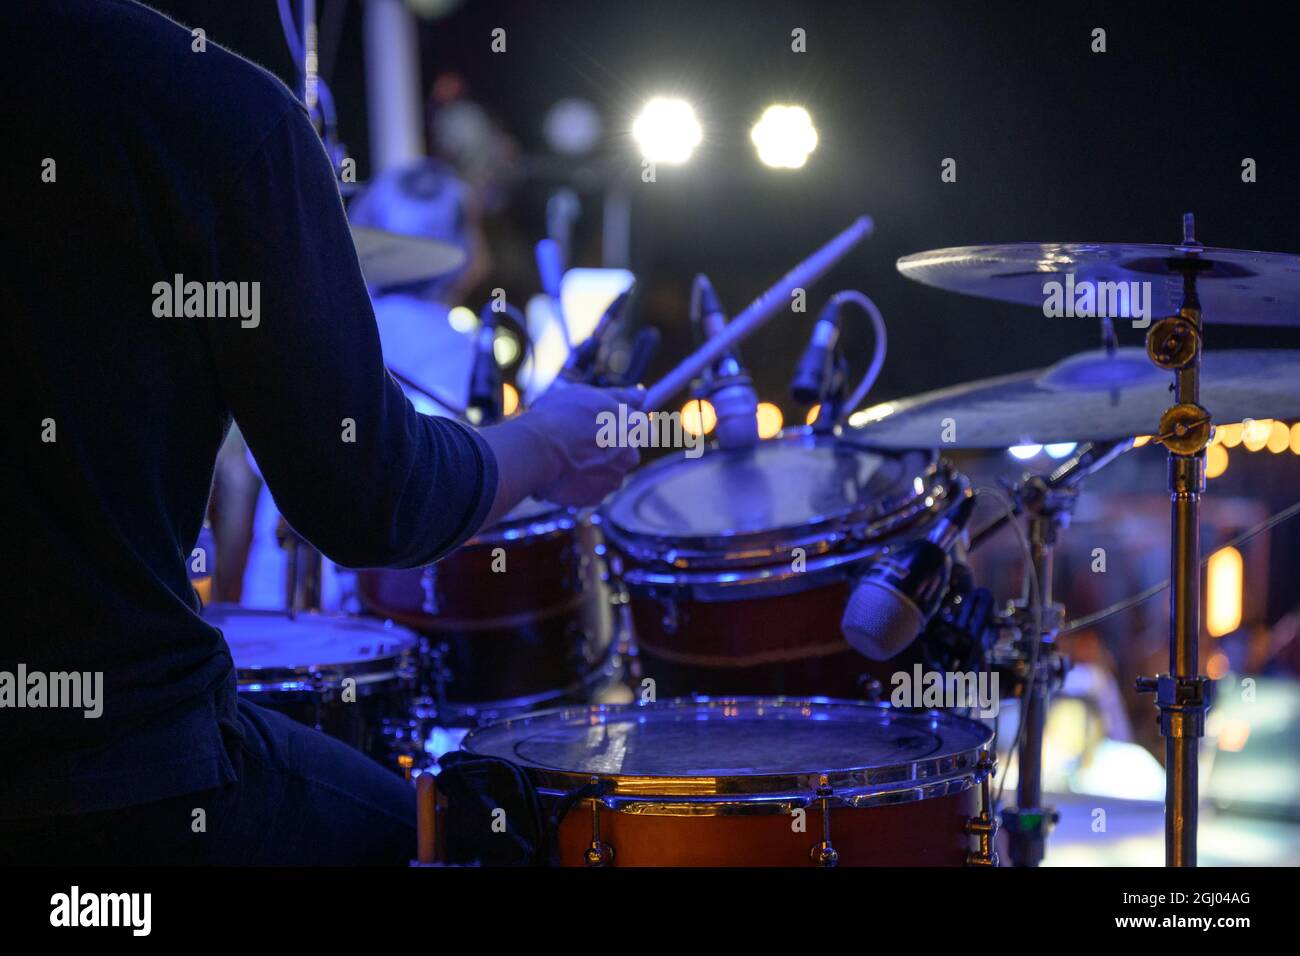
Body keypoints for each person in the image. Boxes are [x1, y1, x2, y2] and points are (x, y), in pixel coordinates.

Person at [0, 0, 639, 864]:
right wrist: (550, 441)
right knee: (488, 842)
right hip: (119, 771)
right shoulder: (216, 111)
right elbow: (371, 497)